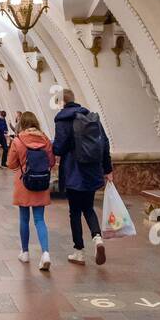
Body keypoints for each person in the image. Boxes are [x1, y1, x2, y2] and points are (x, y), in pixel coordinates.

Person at [52, 88, 112, 265]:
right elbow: (105, 143)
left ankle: (78, 251)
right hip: (92, 171)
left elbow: (59, 148)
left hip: (73, 171)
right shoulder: (91, 117)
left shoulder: (63, 119)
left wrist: (54, 147)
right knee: (88, 207)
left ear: (62, 102)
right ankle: (97, 238)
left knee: (74, 212)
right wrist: (108, 169)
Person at [8, 111, 53, 270]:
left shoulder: (18, 140)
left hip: (24, 183)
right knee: (40, 219)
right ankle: (45, 253)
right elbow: (52, 161)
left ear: (22, 124)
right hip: (41, 182)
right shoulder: (45, 140)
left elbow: (11, 163)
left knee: (24, 218)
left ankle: (25, 252)